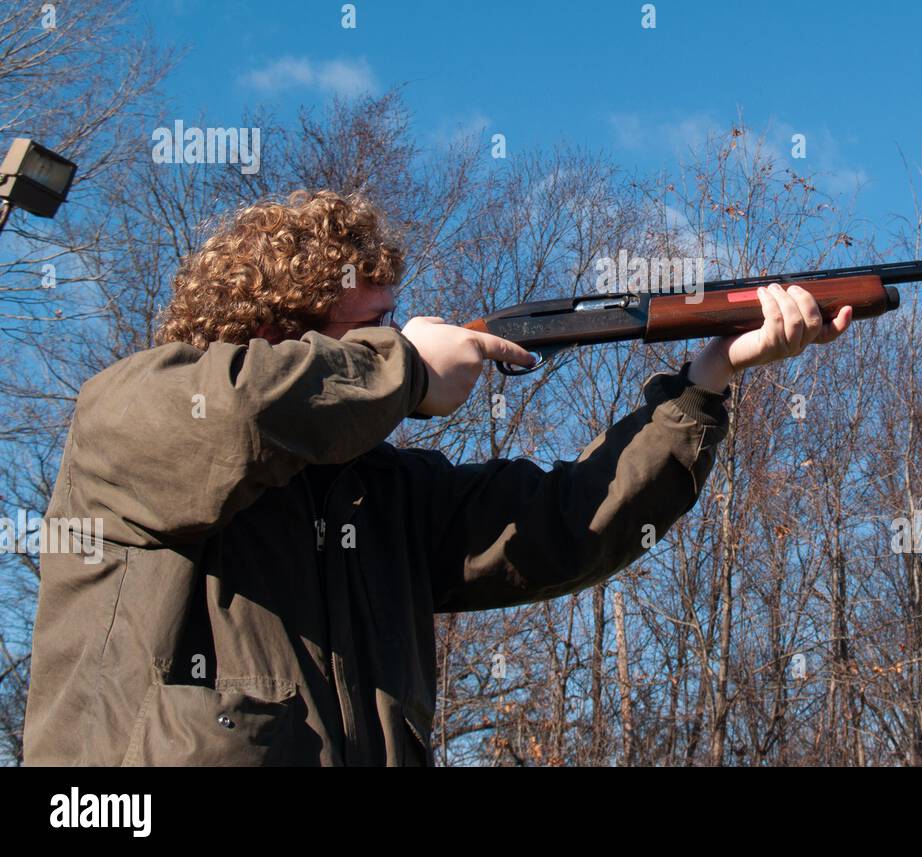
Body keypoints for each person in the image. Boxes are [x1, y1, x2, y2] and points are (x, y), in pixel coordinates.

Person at [22, 189, 853, 766]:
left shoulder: (381, 493)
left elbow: (569, 522)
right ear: (276, 329)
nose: (391, 338)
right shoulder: (128, 419)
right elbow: (243, 414)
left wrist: (706, 382)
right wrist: (407, 372)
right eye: (372, 327)